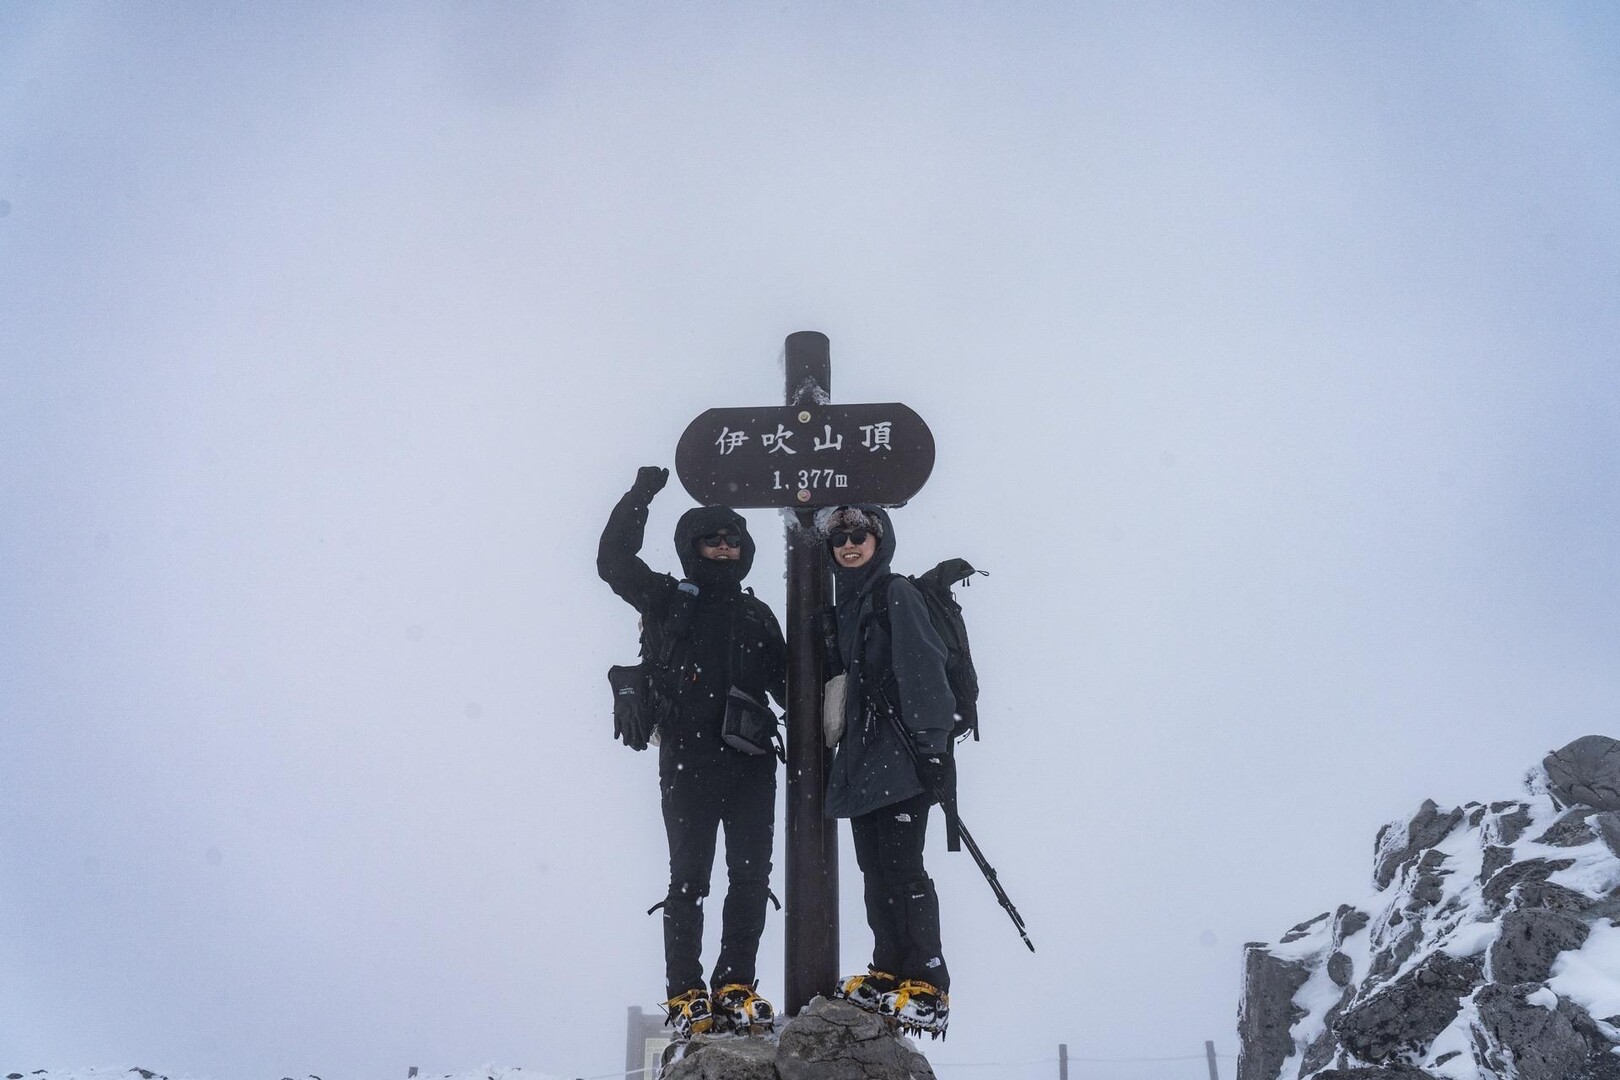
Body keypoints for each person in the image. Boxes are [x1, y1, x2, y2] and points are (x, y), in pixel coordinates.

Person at [597, 465, 787, 1039]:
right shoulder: (665, 598)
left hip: (751, 762)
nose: (724, 547)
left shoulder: (757, 613)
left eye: (732, 539)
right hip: (686, 758)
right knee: (689, 880)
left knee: (751, 877)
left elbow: (789, 684)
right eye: (713, 539)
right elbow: (612, 563)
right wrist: (640, 496)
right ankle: (685, 992)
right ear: (692, 547)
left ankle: (736, 984)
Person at [819, 504, 954, 1038]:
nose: (849, 545)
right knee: (874, 870)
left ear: (880, 541)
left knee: (902, 869)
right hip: (864, 764)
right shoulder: (848, 603)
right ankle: (889, 969)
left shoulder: (895, 593)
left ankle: (928, 981)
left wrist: (933, 748)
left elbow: (925, 670)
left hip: (902, 759)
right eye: (841, 539)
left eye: (860, 537)